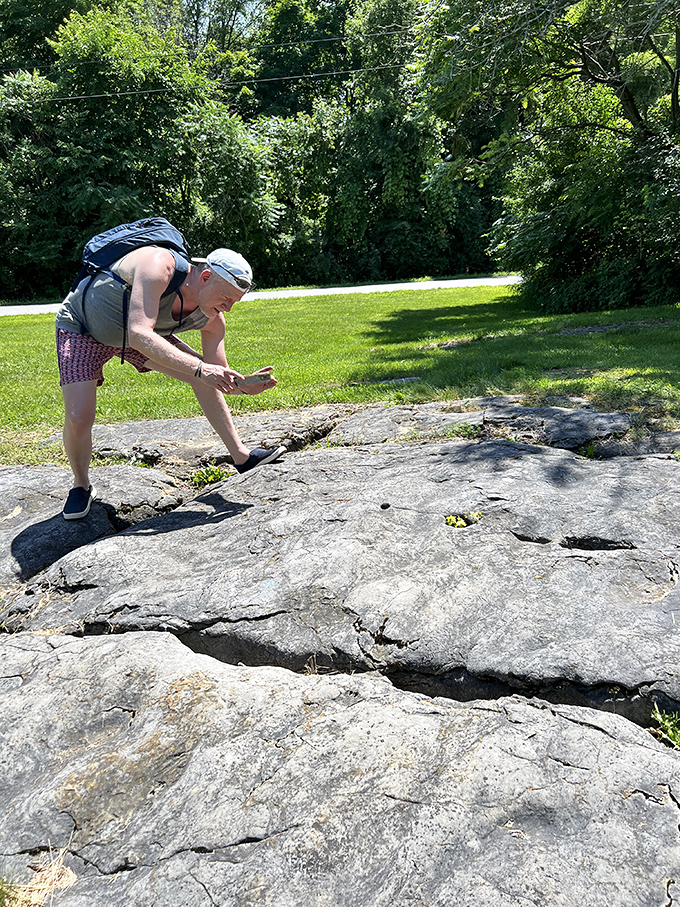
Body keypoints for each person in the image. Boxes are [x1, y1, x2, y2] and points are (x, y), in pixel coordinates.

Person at [55, 243, 285, 520]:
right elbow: (140, 331)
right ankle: (81, 485)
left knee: (202, 376)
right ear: (205, 277)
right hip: (84, 329)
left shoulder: (213, 318)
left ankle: (242, 457)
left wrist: (244, 385)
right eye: (226, 298)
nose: (228, 308)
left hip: (137, 338)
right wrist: (202, 370)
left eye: (234, 302)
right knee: (79, 416)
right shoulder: (158, 264)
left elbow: (217, 376)